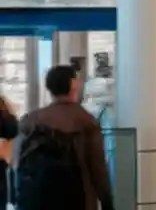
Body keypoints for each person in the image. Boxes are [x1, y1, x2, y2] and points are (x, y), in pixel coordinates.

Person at [11, 66, 114, 210]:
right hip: (78, 201)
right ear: (74, 84)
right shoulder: (86, 122)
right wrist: (107, 203)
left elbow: (17, 163)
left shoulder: (30, 121)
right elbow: (98, 169)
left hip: (36, 201)